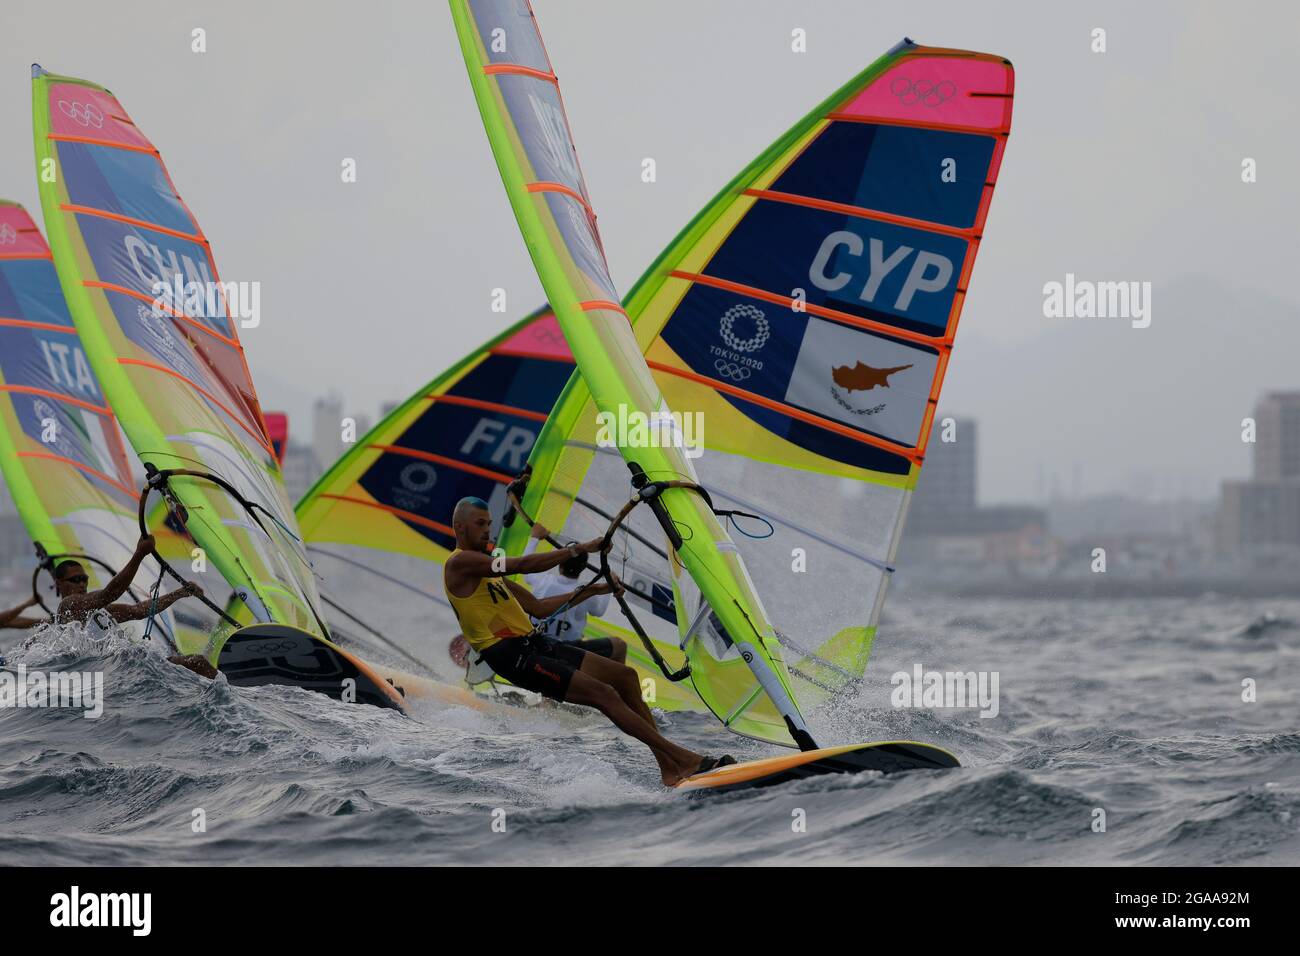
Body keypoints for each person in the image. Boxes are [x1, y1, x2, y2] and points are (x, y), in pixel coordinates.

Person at [443, 496, 732, 786]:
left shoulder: (490, 575)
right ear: (460, 527)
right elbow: (525, 564)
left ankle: (668, 768)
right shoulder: (460, 563)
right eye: (480, 524)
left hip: (534, 644)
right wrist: (578, 550)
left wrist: (593, 591)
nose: (487, 530)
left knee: (625, 676)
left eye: (489, 524)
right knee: (604, 694)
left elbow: (539, 608)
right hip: (511, 657)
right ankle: (685, 760)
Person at [521, 521, 627, 662]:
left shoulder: (543, 580)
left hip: (536, 645)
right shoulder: (586, 590)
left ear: (560, 564)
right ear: (583, 568)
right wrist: (610, 581)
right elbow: (599, 611)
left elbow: (525, 568)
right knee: (620, 646)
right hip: (568, 650)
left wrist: (534, 537)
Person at [54, 534, 201, 633]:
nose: (81, 584)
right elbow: (108, 595)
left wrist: (179, 593)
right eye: (75, 580)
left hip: (111, 668)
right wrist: (139, 554)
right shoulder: (68, 605)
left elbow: (139, 611)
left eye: (84, 579)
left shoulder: (100, 612)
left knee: (195, 661)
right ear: (59, 584)